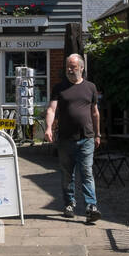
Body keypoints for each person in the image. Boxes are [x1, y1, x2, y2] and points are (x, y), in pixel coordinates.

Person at [44, 54, 101, 224]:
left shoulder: (90, 87)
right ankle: (69, 204)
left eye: (73, 67)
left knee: (87, 173)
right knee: (67, 174)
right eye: (68, 66)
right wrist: (48, 127)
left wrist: (98, 134)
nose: (69, 69)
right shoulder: (59, 87)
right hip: (65, 139)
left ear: (81, 68)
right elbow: (51, 110)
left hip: (86, 138)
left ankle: (91, 207)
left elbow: (95, 112)